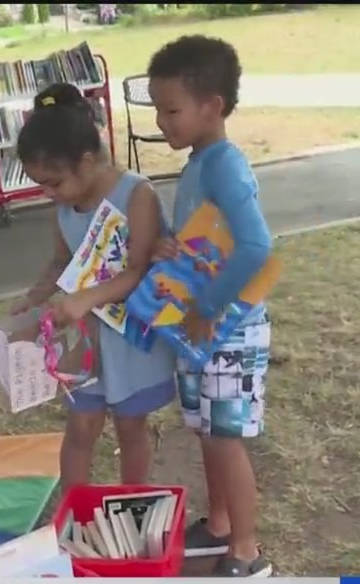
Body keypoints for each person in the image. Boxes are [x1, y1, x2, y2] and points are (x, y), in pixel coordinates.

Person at [9, 83, 177, 493]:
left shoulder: (136, 194)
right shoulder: (63, 208)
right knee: (81, 425)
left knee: (130, 426)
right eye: (40, 185)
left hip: (130, 335)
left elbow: (137, 270)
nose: (48, 194)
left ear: (86, 162)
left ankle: (132, 506)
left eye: (54, 183)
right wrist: (33, 298)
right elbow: (61, 261)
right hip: (86, 339)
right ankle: (74, 511)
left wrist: (85, 299)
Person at [147, 35, 274, 578]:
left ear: (212, 106)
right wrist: (169, 247)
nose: (160, 122)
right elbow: (207, 240)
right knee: (206, 430)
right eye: (157, 109)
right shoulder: (200, 161)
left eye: (171, 110)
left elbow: (255, 246)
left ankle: (246, 550)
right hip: (199, 326)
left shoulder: (224, 164)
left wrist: (208, 306)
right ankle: (219, 523)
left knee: (226, 438)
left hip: (229, 328)